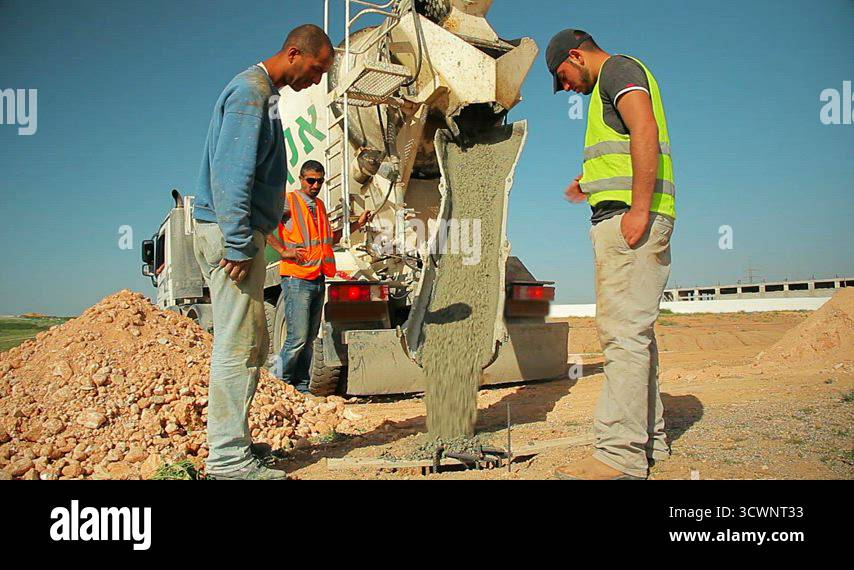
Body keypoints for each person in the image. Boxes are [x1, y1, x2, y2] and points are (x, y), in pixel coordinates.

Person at [192, 25, 334, 480]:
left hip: (243, 235)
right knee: (237, 348)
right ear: (293, 53)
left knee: (250, 344)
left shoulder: (264, 95)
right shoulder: (251, 93)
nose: (315, 82)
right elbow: (231, 174)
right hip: (232, 237)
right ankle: (228, 460)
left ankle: (237, 447)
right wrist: (237, 241)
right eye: (315, 71)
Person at [545, 29, 677, 480]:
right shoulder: (611, 81)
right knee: (636, 334)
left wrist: (638, 208)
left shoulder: (618, 69)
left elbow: (644, 128)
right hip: (623, 214)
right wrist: (588, 182)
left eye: (561, 76)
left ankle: (619, 457)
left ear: (577, 55)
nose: (565, 87)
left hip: (631, 219)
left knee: (622, 336)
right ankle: (650, 439)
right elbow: (621, 146)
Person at [267, 160, 372, 394]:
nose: (315, 185)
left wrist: (357, 225)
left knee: (310, 338)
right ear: (301, 179)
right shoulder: (290, 201)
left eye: (319, 181)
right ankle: (277, 387)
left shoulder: (320, 206)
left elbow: (328, 239)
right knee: (297, 338)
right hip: (296, 279)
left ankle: (301, 388)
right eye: (311, 181)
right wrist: (283, 250)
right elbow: (263, 224)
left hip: (317, 277)